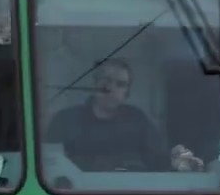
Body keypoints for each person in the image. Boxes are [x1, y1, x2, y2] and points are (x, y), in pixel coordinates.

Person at [45, 57, 203, 173]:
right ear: (94, 84)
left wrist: (175, 160)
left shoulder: (138, 120)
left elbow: (158, 161)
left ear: (127, 93)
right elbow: (49, 164)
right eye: (106, 80)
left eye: (120, 84)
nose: (111, 88)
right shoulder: (65, 120)